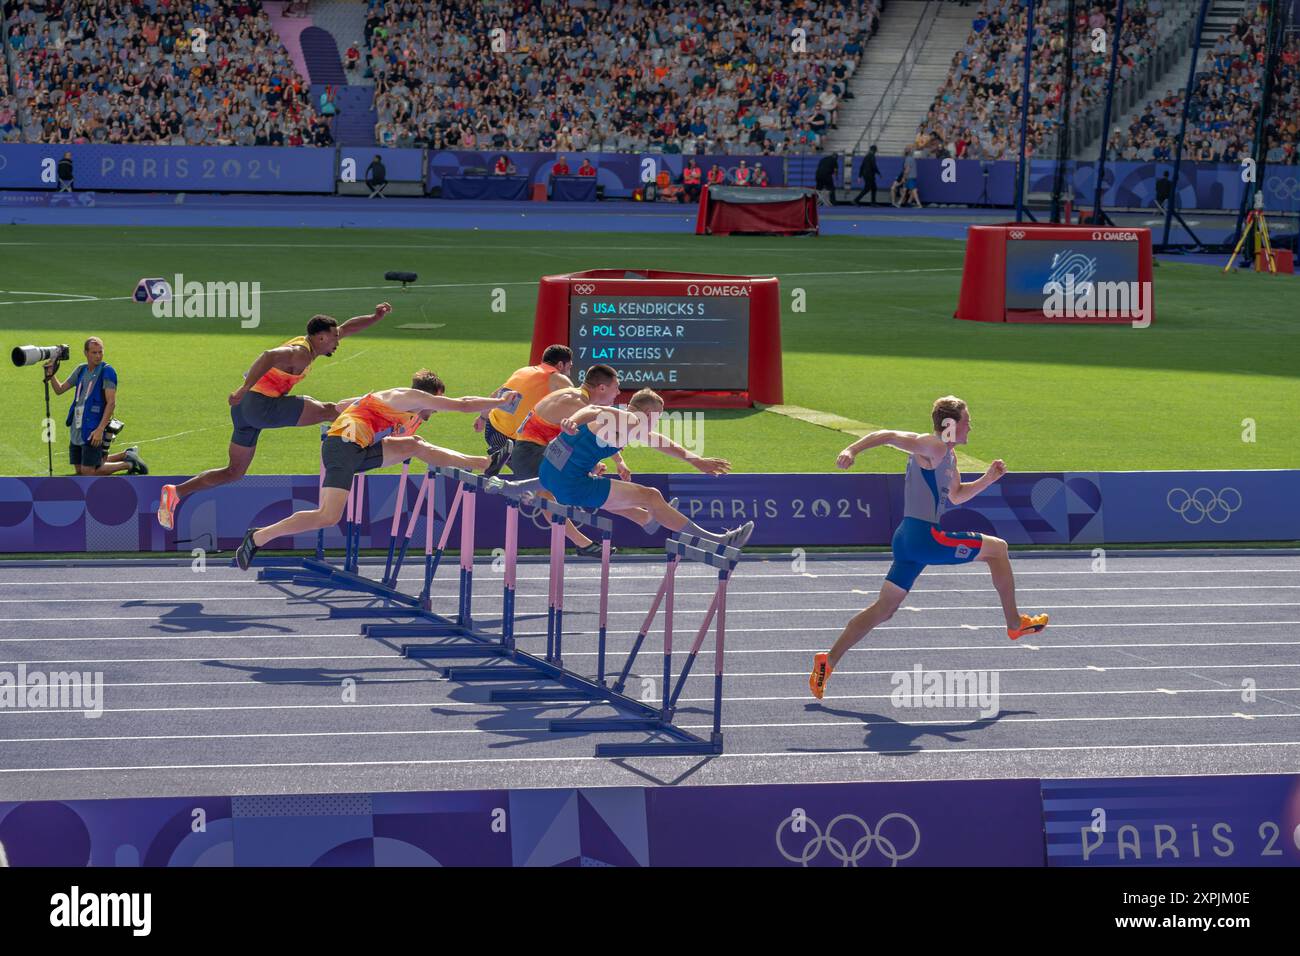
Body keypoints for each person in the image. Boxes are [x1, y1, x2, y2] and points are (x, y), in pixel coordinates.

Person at [809, 396, 1049, 700]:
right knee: (998, 549)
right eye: (967, 421)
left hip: (908, 539)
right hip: (925, 538)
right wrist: (852, 449)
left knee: (884, 609)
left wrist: (989, 478)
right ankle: (1015, 623)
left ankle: (826, 663)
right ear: (951, 424)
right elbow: (888, 436)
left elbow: (958, 496)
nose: (971, 427)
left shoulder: (948, 458)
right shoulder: (932, 446)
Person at [235, 371, 515, 570]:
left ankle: (486, 463)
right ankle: (259, 536)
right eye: (437, 404)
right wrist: (499, 403)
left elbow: (345, 403)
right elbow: (463, 404)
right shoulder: (408, 397)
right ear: (430, 396)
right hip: (343, 447)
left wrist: (357, 411)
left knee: (415, 444)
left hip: (360, 447)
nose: (436, 411)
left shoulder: (395, 402)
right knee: (328, 516)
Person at [156, 305, 393, 530]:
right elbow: (268, 355)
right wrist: (244, 387)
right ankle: (382, 421)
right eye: (334, 338)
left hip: (243, 412)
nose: (337, 342)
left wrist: (375, 318)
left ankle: (175, 492)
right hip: (262, 406)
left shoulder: (314, 342)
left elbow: (349, 327)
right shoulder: (300, 353)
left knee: (234, 471)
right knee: (328, 411)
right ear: (320, 338)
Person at [501, 389, 753, 548]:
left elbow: (655, 440)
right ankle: (717, 541)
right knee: (651, 496)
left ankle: (649, 520)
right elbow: (592, 408)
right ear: (647, 412)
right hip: (571, 485)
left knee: (621, 496)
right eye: (658, 416)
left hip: (549, 473)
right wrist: (571, 421)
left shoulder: (622, 421)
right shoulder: (631, 418)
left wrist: (515, 486)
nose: (657, 422)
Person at [511, 364, 631, 555]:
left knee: (589, 488)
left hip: (535, 450)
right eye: (615, 387)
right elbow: (599, 433)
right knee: (554, 492)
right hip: (530, 453)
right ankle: (582, 544)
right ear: (601, 388)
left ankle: (644, 515)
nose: (618, 392)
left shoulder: (573, 395)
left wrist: (611, 462)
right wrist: (617, 461)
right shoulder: (578, 405)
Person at [45, 337, 148, 477]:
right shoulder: (81, 370)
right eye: (94, 352)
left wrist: (100, 429)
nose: (98, 356)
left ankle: (129, 464)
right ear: (86, 353)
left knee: (89, 472)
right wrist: (51, 375)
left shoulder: (107, 371)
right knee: (80, 470)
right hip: (77, 426)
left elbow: (111, 402)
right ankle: (126, 455)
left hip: (93, 427)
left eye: (100, 352)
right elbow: (60, 389)